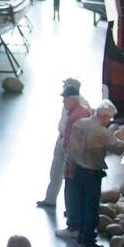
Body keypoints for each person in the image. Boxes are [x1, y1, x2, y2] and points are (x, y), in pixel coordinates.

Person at [66, 100, 124, 247]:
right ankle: (88, 242)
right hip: (92, 174)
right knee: (91, 209)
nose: (110, 121)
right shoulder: (102, 132)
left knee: (81, 205)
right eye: (109, 118)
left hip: (77, 171)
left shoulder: (80, 124)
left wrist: (68, 164)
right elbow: (119, 147)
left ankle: (80, 237)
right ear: (105, 117)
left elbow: (71, 146)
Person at [36, 76, 90, 210]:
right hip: (61, 138)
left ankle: (72, 209)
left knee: (70, 178)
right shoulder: (68, 101)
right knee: (55, 171)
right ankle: (50, 199)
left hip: (71, 144)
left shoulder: (81, 105)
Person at [55, 94, 91, 239]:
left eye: (65, 98)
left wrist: (68, 163)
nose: (63, 101)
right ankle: (80, 224)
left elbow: (74, 142)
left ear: (73, 99)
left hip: (75, 160)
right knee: (79, 192)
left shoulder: (76, 116)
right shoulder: (84, 111)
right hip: (82, 160)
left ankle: (74, 226)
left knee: (72, 192)